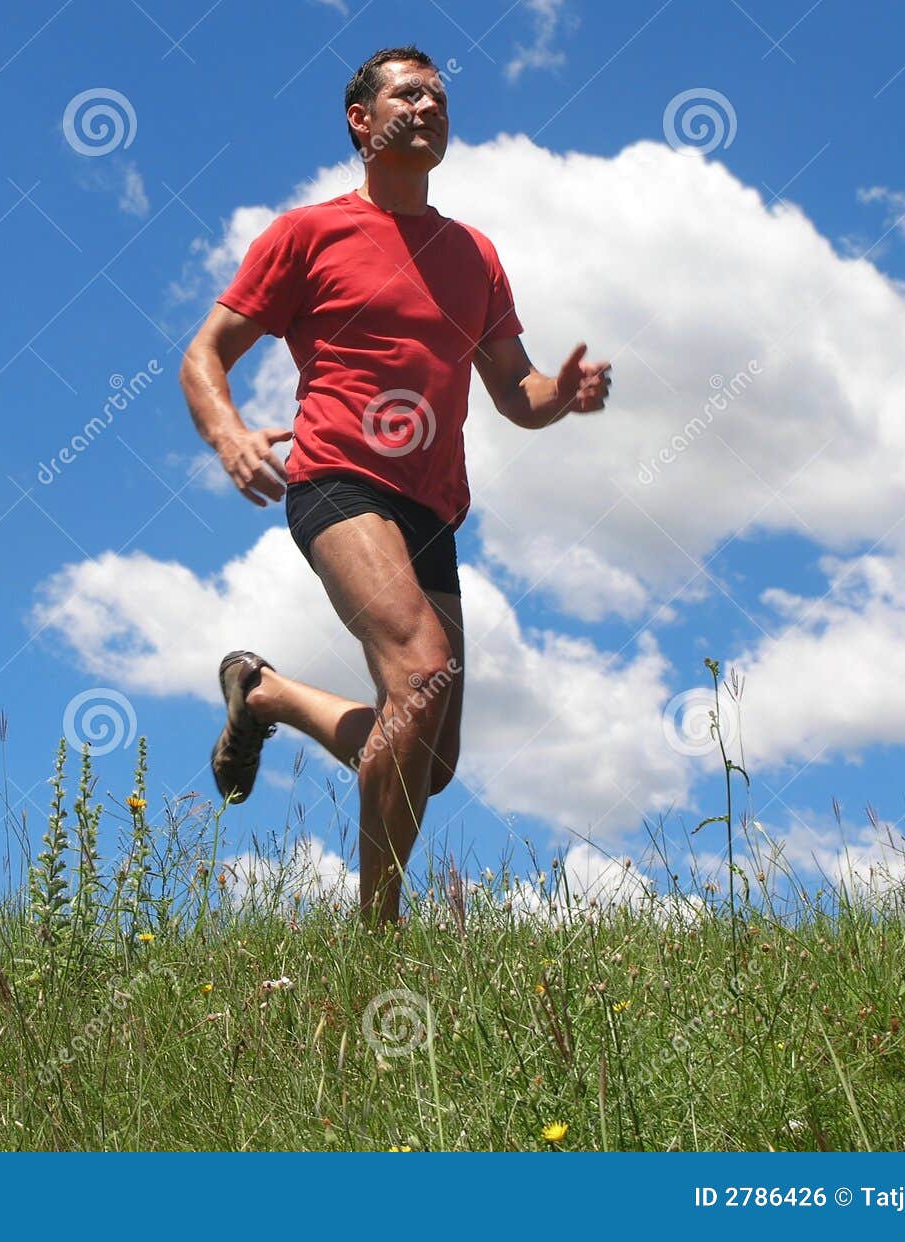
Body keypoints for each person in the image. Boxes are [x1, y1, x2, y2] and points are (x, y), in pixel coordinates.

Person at [178, 45, 611, 924]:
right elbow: (205, 354)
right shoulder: (307, 233)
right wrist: (227, 435)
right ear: (361, 121)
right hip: (337, 477)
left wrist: (559, 397)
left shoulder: (473, 255)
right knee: (420, 673)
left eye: (440, 97)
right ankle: (379, 934)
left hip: (430, 506)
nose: (429, 107)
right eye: (408, 94)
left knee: (429, 755)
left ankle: (263, 693)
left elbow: (515, 391)